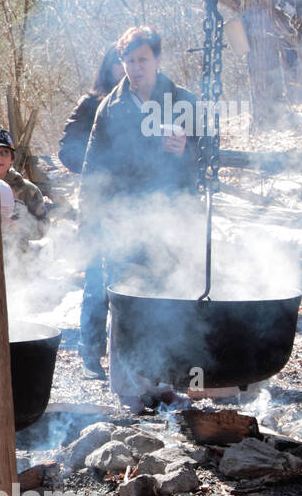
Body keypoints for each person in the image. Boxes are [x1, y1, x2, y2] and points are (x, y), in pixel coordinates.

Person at [79, 25, 200, 381]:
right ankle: (128, 372)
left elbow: (210, 160)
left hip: (171, 214)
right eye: (129, 61)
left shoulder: (183, 102)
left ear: (158, 60)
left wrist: (186, 151)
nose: (136, 68)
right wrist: (90, 220)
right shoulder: (110, 108)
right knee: (127, 292)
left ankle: (168, 368)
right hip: (123, 216)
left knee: (169, 289)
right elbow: (93, 168)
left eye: (143, 59)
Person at [59, 45, 123, 174]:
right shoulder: (91, 104)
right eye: (118, 61)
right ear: (109, 66)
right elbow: (68, 151)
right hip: (105, 190)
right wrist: (99, 172)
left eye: (129, 60)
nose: (124, 66)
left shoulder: (150, 102)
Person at [0, 127, 48, 232]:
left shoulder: (28, 190)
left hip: (17, 247)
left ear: (12, 158)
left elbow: (44, 226)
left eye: (4, 152)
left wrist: (20, 227)